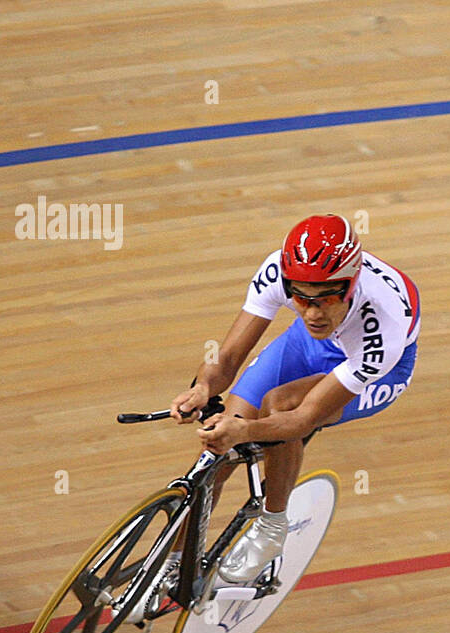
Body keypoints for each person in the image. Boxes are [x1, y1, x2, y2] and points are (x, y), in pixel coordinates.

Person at [168, 214, 420, 585]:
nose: (313, 311)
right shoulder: (277, 272)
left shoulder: (383, 325)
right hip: (308, 343)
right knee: (213, 458)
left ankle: (272, 527)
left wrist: (245, 430)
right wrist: (204, 387)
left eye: (328, 298)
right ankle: (170, 563)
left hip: (373, 366)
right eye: (301, 298)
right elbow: (227, 359)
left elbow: (304, 418)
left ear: (351, 284)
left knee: (280, 406)